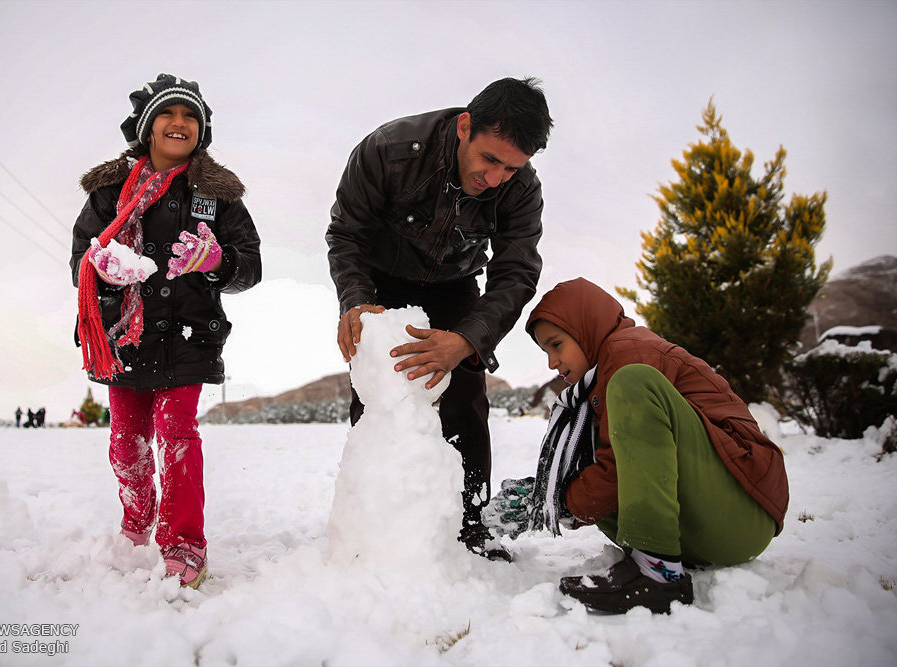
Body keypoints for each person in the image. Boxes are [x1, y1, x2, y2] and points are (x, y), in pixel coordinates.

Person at [326, 77, 553, 559]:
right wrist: (355, 301)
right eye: (490, 160)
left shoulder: (521, 190)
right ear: (464, 127)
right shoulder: (388, 150)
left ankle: (470, 526)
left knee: (466, 398)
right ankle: (371, 524)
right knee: (379, 394)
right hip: (380, 283)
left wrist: (470, 339)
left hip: (455, 288)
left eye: (511, 168)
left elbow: (516, 273)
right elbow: (347, 233)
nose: (495, 179)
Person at [496, 277, 788, 613]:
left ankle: (656, 572)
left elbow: (619, 471)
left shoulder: (628, 352)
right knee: (582, 475)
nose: (551, 362)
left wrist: (559, 502)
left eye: (557, 344)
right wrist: (547, 497)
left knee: (634, 382)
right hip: (705, 530)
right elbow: (616, 471)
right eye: (545, 351)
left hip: (741, 509)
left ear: (585, 327)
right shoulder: (597, 381)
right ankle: (656, 561)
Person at [70, 73, 261, 588]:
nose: (180, 124)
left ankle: (183, 542)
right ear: (147, 125)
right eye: (169, 114)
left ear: (202, 131)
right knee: (126, 441)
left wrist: (218, 260)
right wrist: (104, 272)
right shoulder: (109, 191)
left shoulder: (218, 195)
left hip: (189, 335)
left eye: (190, 117)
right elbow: (80, 259)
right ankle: (138, 518)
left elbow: (251, 265)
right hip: (124, 338)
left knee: (177, 433)